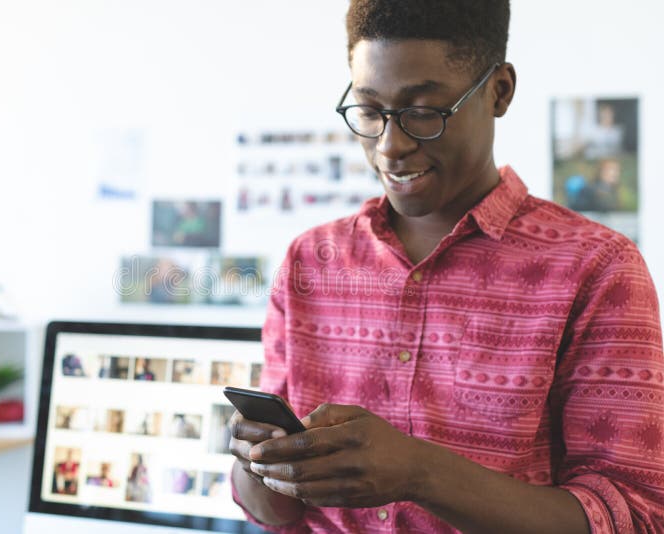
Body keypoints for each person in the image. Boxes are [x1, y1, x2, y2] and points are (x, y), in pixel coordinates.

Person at [229, 2, 664, 533]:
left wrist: (421, 473)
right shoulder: (309, 262)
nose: (390, 145)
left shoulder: (597, 269)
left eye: (424, 111)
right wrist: (257, 463)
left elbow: (633, 516)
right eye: (369, 111)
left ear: (499, 91)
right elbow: (278, 512)